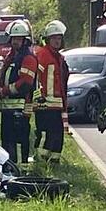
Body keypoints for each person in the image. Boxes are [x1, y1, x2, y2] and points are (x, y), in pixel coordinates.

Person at [0, 19, 37, 167]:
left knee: (19, 141)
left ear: (25, 40)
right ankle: (9, 169)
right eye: (14, 39)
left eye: (19, 39)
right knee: (7, 140)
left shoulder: (28, 58)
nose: (16, 41)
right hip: (7, 109)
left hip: (20, 109)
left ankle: (20, 170)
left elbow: (25, 83)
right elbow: (2, 76)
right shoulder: (10, 57)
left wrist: (4, 90)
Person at [33, 20, 70, 164]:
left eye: (59, 38)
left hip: (56, 105)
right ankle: (40, 162)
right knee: (45, 135)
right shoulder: (42, 54)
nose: (57, 41)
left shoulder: (58, 57)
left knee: (57, 135)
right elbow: (36, 78)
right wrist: (38, 98)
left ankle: (54, 163)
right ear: (48, 39)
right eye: (54, 38)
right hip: (44, 105)